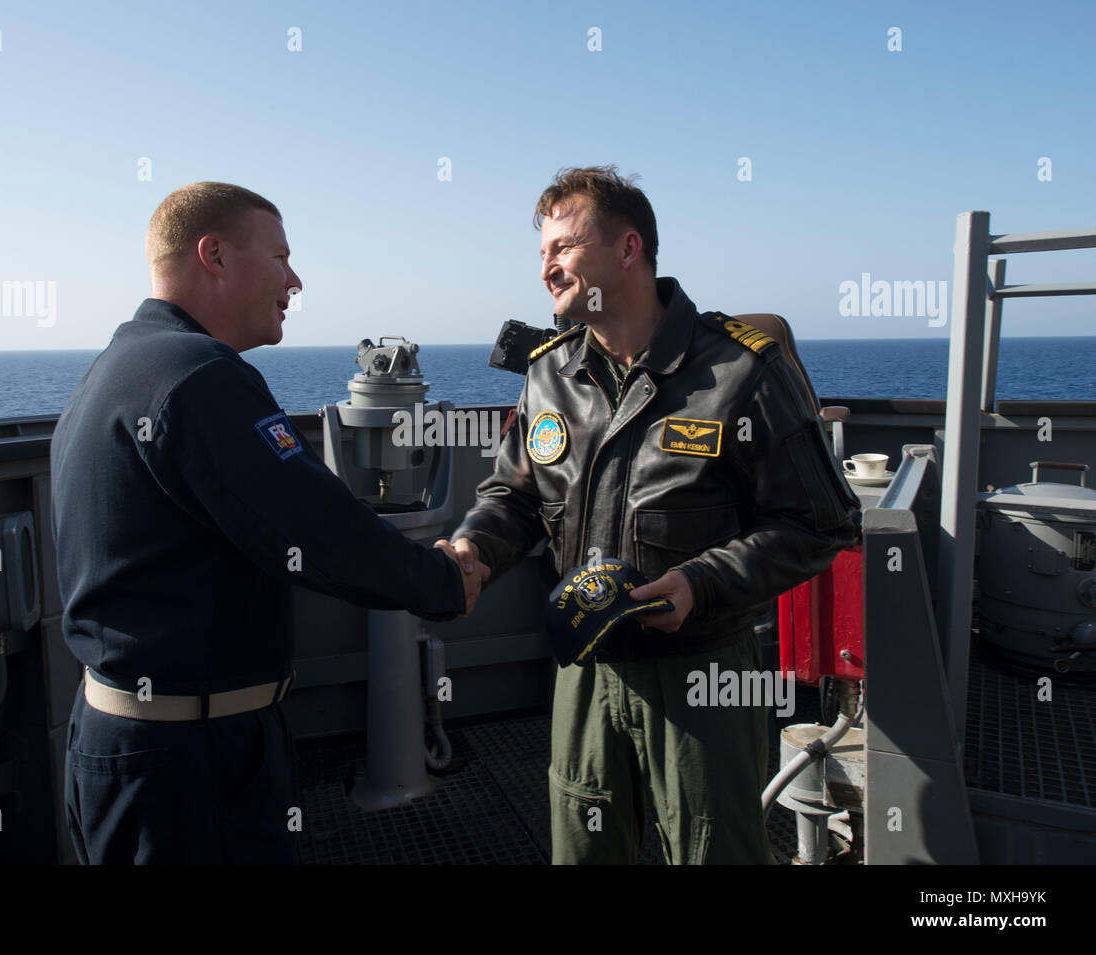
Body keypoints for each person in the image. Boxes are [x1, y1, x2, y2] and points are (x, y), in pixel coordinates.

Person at [50, 181, 486, 864]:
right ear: (214, 254)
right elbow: (315, 529)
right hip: (190, 762)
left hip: (126, 741)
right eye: (280, 256)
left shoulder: (117, 368)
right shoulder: (198, 375)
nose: (295, 279)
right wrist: (442, 581)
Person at [441, 166, 860, 864]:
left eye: (565, 248)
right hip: (586, 666)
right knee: (584, 844)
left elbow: (822, 522)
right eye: (542, 252)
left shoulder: (740, 371)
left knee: (712, 847)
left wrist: (703, 580)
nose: (547, 268)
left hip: (701, 670)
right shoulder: (551, 374)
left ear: (628, 250)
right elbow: (512, 494)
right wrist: (474, 548)